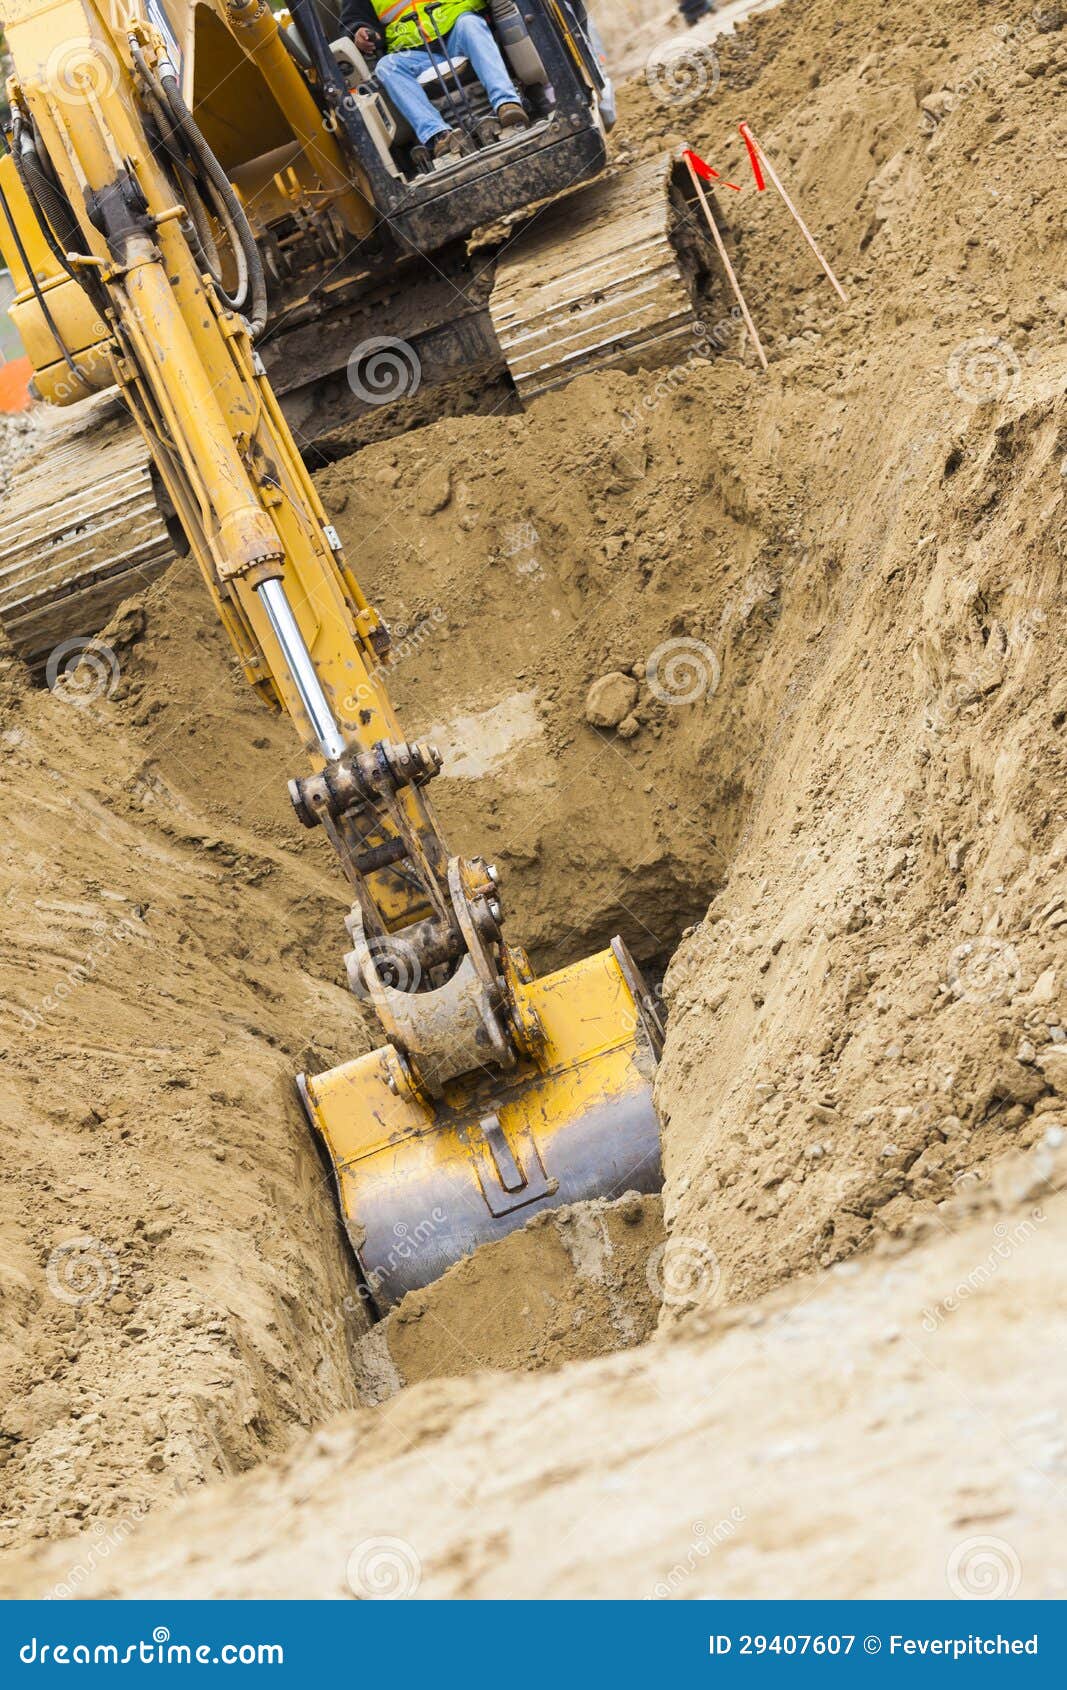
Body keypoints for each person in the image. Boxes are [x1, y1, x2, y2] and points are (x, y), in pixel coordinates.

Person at [340, 0, 529, 162]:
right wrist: (359, 31)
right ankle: (439, 136)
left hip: (459, 32)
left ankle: (507, 104)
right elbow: (353, 21)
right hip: (413, 53)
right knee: (386, 66)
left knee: (471, 24)